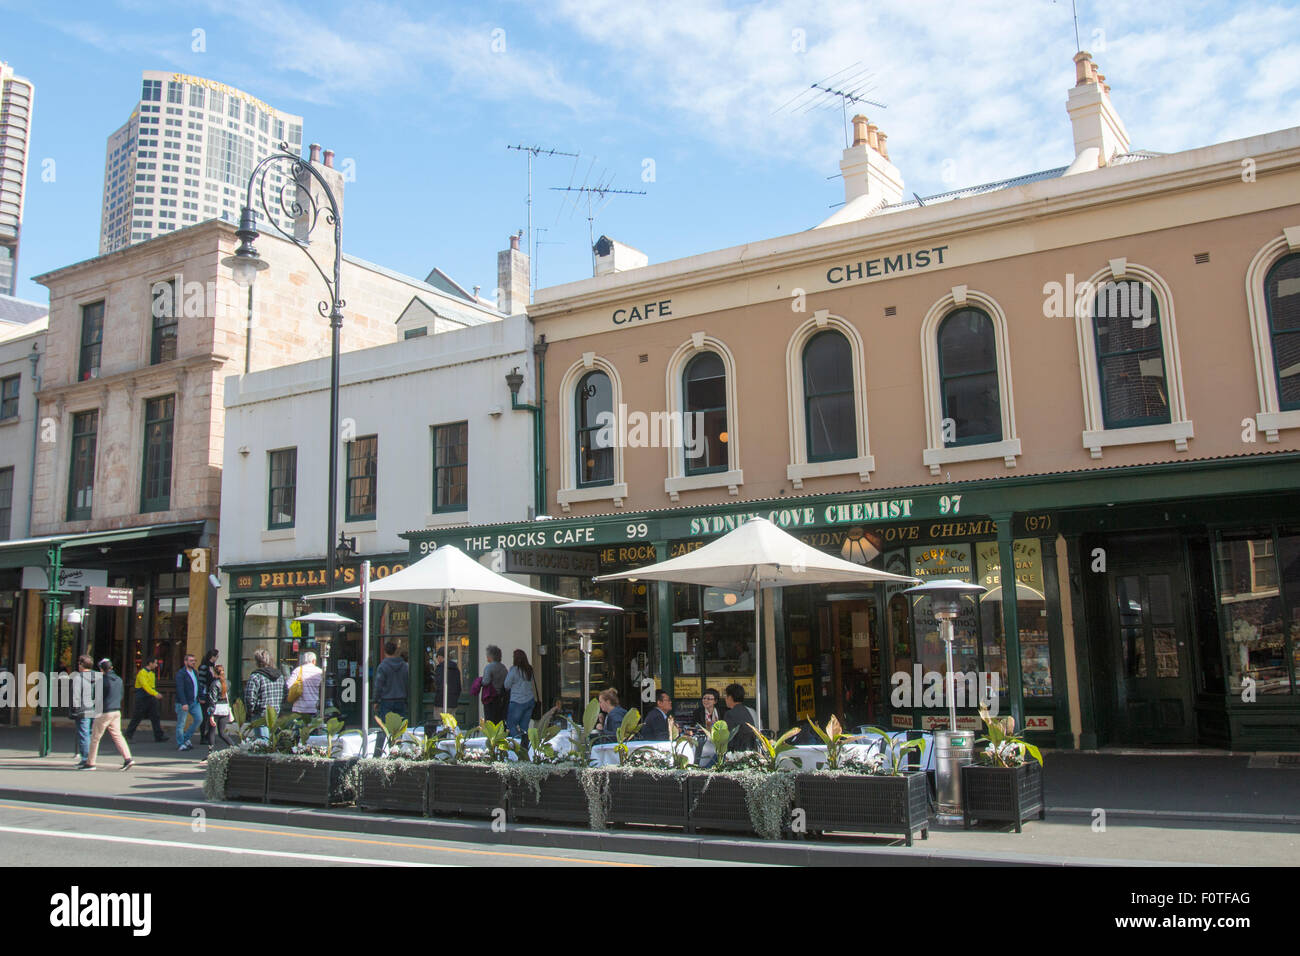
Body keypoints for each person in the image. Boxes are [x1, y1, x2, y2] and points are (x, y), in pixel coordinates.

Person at [84, 659, 133, 771]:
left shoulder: (102, 680)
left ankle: (90, 763)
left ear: (102, 669)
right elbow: (121, 695)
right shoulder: (119, 680)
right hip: (116, 710)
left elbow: (96, 697)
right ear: (111, 667)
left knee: (95, 737)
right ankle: (128, 758)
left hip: (104, 711)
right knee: (118, 735)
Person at [373, 641, 409, 757]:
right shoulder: (404, 666)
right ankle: (397, 752)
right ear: (395, 651)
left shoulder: (383, 666)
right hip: (401, 700)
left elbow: (378, 685)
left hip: (387, 701)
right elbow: (408, 683)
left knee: (385, 729)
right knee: (399, 729)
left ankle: (382, 753)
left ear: (385, 652)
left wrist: (376, 700)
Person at [244, 648, 287, 738]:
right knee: (275, 744)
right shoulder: (280, 676)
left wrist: (251, 712)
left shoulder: (256, 676)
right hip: (276, 713)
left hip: (260, 714)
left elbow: (249, 698)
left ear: (257, 661)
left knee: (262, 743)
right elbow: (285, 695)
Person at [125, 658, 166, 742]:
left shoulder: (152, 673)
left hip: (150, 697)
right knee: (137, 717)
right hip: (142, 698)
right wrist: (155, 694)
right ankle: (128, 735)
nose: (156, 665)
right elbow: (145, 686)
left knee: (155, 716)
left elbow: (152, 686)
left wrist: (154, 694)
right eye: (155, 663)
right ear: (150, 663)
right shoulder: (142, 673)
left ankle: (159, 736)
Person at [503, 649, 536, 739]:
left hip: (517, 701)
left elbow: (506, 685)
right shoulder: (529, 669)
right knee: (524, 727)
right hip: (530, 700)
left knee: (511, 724)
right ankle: (524, 746)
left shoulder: (514, 670)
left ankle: (518, 742)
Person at [70, 655, 96, 767]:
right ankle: (90, 757)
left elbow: (75, 695)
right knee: (89, 734)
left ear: (81, 665)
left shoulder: (78, 678)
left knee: (83, 734)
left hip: (82, 709)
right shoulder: (97, 676)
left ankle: (86, 759)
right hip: (94, 708)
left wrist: (74, 708)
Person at [205, 664, 235, 756]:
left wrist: (211, 714)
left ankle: (210, 753)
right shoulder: (228, 683)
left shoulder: (214, 684)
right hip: (225, 708)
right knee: (222, 733)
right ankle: (234, 747)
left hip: (216, 708)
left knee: (211, 732)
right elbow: (228, 696)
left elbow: (212, 699)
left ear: (215, 673)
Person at [474, 645, 508, 724]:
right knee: (499, 720)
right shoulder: (503, 667)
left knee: (490, 721)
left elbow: (486, 681)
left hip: (490, 697)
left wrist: (479, 681)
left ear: (490, 656)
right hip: (501, 697)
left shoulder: (489, 667)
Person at [175, 653, 201, 752]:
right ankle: (180, 743)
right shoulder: (181, 673)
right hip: (184, 702)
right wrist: (183, 703)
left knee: (199, 719)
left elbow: (197, 686)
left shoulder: (195, 672)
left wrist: (200, 697)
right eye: (191, 661)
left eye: (194, 661)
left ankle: (186, 738)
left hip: (194, 701)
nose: (193, 662)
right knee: (181, 723)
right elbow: (180, 689)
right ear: (185, 662)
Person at [286, 650, 323, 716]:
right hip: (314, 707)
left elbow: (288, 685)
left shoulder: (298, 670)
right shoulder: (320, 672)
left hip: (299, 707)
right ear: (314, 661)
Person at [723, 683, 756, 752]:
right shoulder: (750, 711)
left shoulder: (730, 714)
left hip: (737, 751)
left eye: (726, 696)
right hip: (752, 748)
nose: (725, 699)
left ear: (730, 697)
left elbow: (728, 738)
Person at [197, 648, 219, 746]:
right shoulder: (204, 667)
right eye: (216, 656)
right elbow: (201, 682)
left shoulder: (212, 667)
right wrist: (201, 696)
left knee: (211, 715)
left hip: (211, 693)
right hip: (205, 693)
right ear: (212, 657)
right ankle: (203, 736)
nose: (217, 658)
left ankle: (207, 735)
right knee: (204, 716)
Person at [431, 648, 462, 716]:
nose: (437, 660)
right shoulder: (456, 669)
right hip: (452, 703)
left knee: (439, 724)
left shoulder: (439, 669)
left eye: (437, 657)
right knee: (450, 725)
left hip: (440, 702)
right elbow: (459, 687)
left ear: (440, 657)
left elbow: (437, 685)